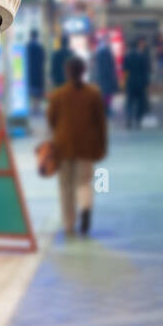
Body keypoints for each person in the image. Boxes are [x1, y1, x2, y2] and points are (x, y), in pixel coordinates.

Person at [45, 56, 108, 237]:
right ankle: (86, 209)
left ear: (67, 73)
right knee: (84, 183)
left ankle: (69, 224)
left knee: (66, 186)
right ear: (84, 72)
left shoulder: (58, 95)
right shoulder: (93, 93)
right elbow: (100, 123)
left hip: (63, 146)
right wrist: (102, 146)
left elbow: (51, 120)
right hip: (87, 147)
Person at [122, 37, 152, 129]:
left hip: (130, 82)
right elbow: (145, 71)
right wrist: (146, 83)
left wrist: (125, 82)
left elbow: (125, 70)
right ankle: (138, 120)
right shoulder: (142, 56)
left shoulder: (127, 56)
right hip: (140, 83)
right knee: (140, 102)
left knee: (129, 102)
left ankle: (128, 119)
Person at [91, 37, 119, 118]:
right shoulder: (105, 52)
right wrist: (112, 76)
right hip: (106, 76)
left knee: (104, 93)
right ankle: (106, 109)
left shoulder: (98, 52)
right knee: (107, 94)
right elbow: (109, 66)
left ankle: (105, 109)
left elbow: (96, 66)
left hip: (101, 76)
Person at [25, 30, 46, 117]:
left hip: (29, 72)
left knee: (30, 90)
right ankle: (36, 108)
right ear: (37, 37)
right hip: (38, 72)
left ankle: (31, 108)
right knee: (38, 91)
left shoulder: (27, 47)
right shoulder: (40, 48)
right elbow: (43, 60)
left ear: (30, 36)